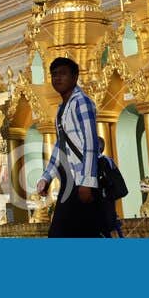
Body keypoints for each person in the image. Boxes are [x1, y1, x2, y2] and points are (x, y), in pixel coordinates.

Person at [35, 56, 106, 237]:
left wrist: (87, 182)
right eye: (54, 74)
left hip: (83, 179)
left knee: (69, 233)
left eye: (63, 74)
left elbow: (90, 141)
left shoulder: (82, 102)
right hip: (69, 179)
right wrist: (47, 177)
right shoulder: (62, 109)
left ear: (75, 77)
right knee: (71, 233)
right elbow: (61, 146)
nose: (57, 78)